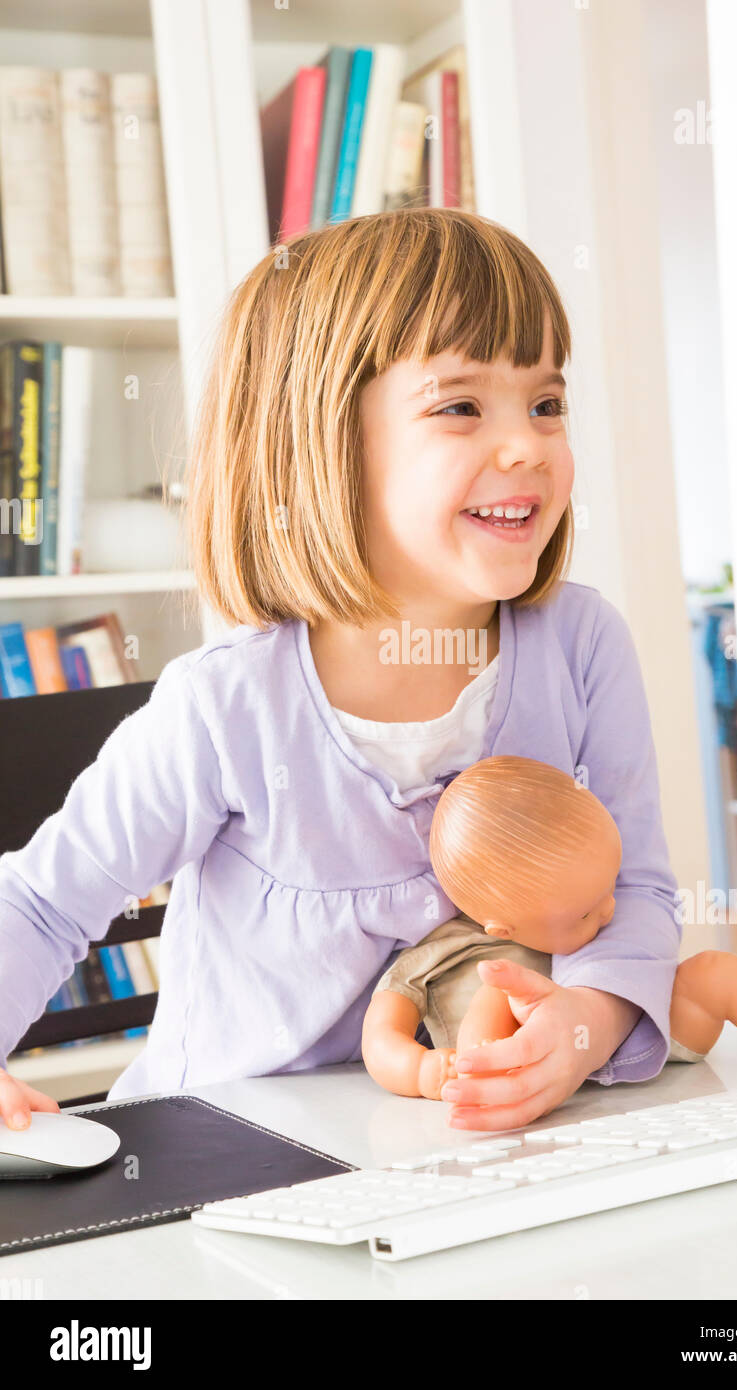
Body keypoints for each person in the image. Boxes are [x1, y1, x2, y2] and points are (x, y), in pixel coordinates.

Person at [0, 208, 681, 1134]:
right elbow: (40, 904)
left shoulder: (584, 645)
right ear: (320, 442)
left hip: (472, 1157)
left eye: (547, 404)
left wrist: (587, 1025)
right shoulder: (225, 707)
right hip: (228, 1167)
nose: (527, 445)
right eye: (461, 406)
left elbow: (635, 892)